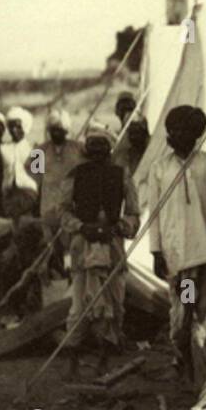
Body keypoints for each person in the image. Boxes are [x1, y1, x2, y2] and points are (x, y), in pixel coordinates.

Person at [147, 106, 206, 383]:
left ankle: (203, 367)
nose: (177, 136)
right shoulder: (159, 169)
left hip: (204, 254)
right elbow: (154, 215)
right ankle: (184, 360)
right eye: (174, 131)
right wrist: (156, 252)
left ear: (195, 135)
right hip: (177, 254)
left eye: (184, 132)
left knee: (204, 309)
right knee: (183, 310)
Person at [60, 119, 140, 378]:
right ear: (86, 148)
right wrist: (81, 227)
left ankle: (104, 360)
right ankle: (72, 361)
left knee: (113, 304)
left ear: (109, 148)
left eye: (101, 144)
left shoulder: (121, 174)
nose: (96, 149)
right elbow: (62, 210)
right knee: (80, 305)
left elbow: (133, 212)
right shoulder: (76, 174)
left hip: (112, 245)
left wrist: (120, 228)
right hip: (84, 246)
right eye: (91, 144)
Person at [34, 108, 81, 274]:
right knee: (51, 247)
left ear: (66, 130)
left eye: (60, 130)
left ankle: (71, 276)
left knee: (70, 245)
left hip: (70, 206)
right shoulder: (40, 151)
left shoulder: (78, 149)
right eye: (53, 130)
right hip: (48, 206)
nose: (56, 134)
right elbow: (36, 179)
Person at [1, 106, 38, 216]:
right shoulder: (3, 148)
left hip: (29, 194)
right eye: (11, 127)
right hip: (9, 196)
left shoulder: (35, 149)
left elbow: (40, 177)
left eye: (18, 126)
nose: (14, 130)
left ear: (25, 127)